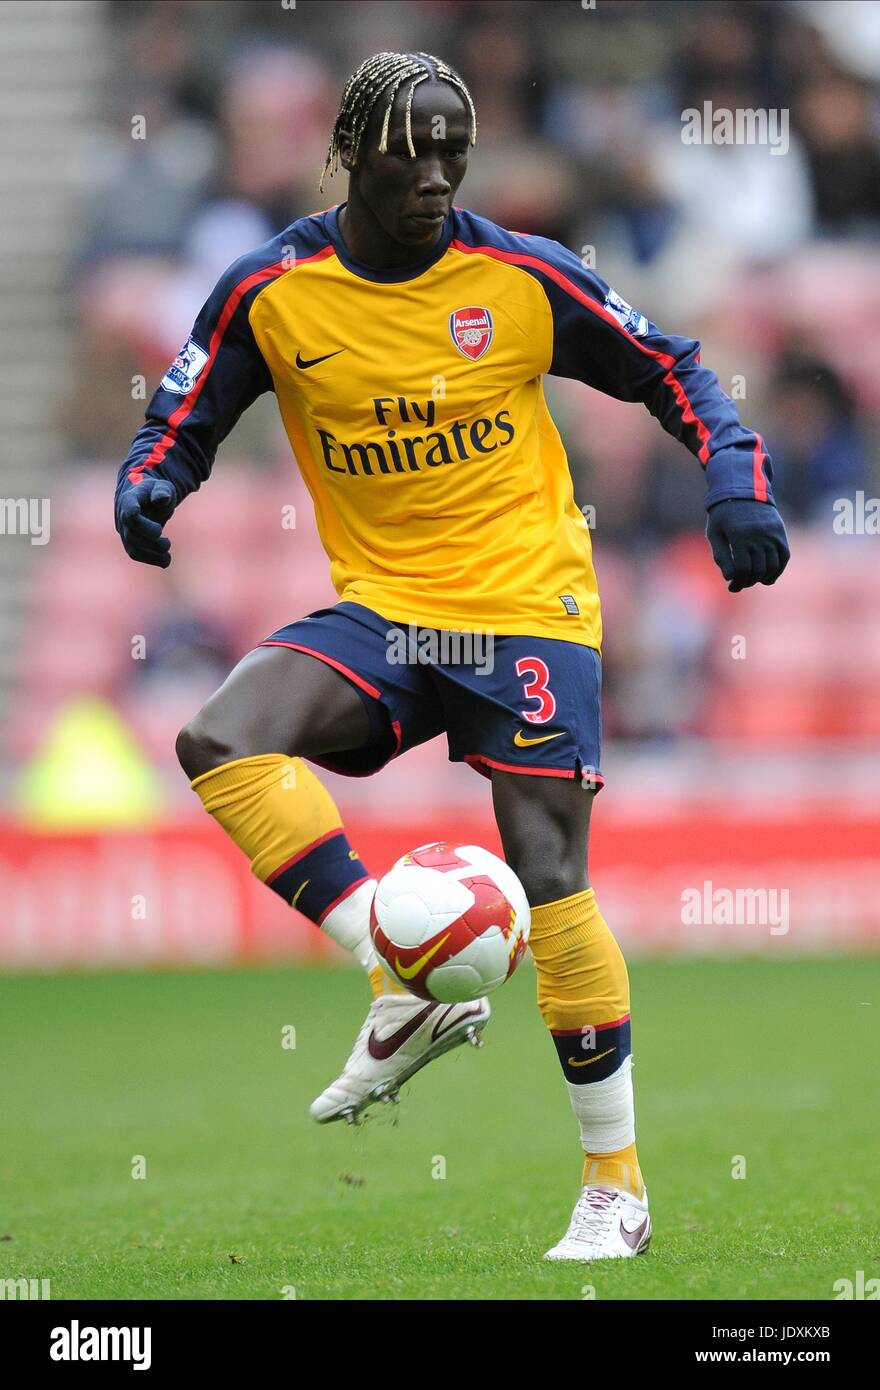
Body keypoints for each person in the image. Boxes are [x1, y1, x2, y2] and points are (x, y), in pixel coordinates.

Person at [115, 51, 789, 1261]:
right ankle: (398, 970)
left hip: (528, 604)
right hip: (387, 610)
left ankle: (614, 1187)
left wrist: (734, 475)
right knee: (218, 735)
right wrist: (153, 478)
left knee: (545, 864)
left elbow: (674, 366)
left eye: (453, 153)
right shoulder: (273, 290)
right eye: (408, 153)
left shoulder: (521, 277)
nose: (434, 176)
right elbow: (190, 405)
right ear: (348, 153)